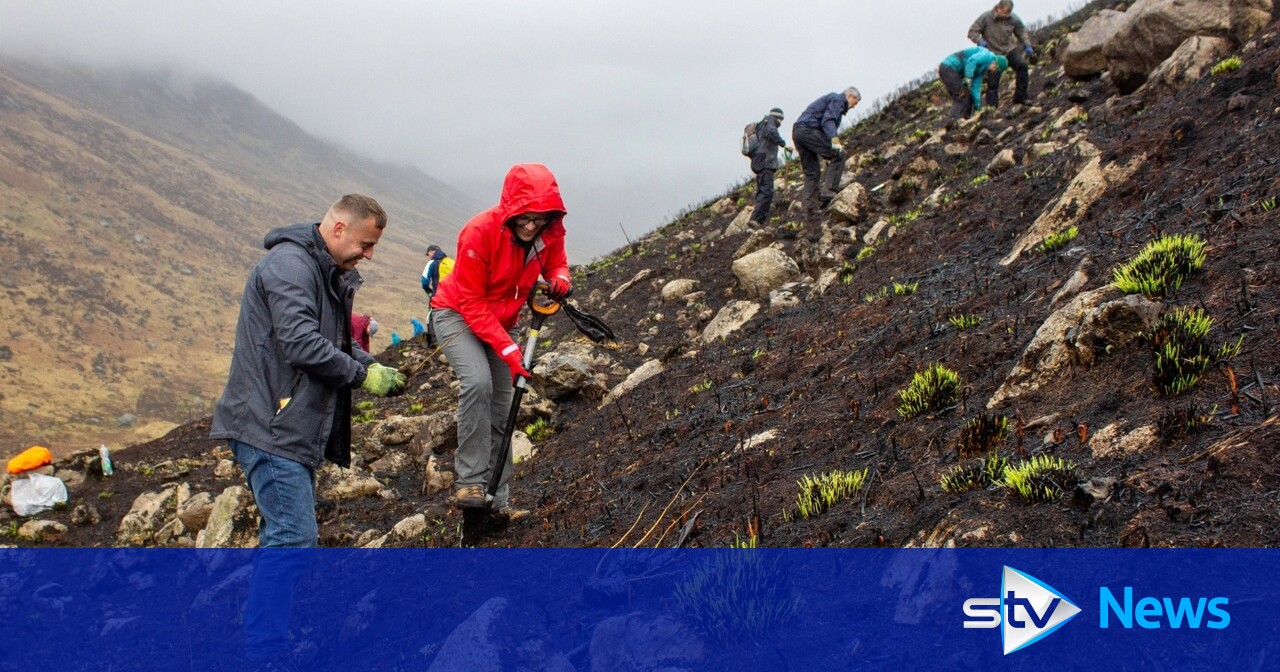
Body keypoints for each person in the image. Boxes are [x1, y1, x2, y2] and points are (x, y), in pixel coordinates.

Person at [211, 194, 406, 546]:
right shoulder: (291, 266)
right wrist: (363, 376)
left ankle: (268, 604)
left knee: (283, 537)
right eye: (366, 245)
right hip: (269, 426)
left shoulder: (321, 269)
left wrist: (371, 364)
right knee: (293, 539)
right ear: (339, 227)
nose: (369, 255)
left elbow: (333, 341)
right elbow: (301, 344)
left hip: (286, 425)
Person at [429, 164, 571, 515]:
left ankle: (498, 504)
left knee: (503, 405)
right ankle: (469, 484)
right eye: (524, 216)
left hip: (504, 321)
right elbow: (473, 303)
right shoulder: (479, 232)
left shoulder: (549, 232)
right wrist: (509, 349)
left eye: (539, 218)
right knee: (478, 382)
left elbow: (558, 263)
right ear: (510, 208)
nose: (530, 225)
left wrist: (560, 277)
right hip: (457, 314)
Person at [792, 87, 860, 212]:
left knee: (812, 172)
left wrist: (826, 150)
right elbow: (828, 120)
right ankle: (828, 191)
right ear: (850, 96)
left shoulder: (831, 100)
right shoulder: (838, 99)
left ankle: (808, 209)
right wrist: (834, 141)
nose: (853, 107)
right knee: (839, 155)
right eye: (855, 103)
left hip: (798, 132)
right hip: (808, 130)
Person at [968, 0, 1035, 108]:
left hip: (1009, 50)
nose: (1006, 16)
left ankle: (1021, 97)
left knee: (1022, 66)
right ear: (998, 8)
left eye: (1008, 14)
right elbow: (972, 32)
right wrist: (980, 41)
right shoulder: (986, 17)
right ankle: (992, 108)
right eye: (1004, 13)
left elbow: (1021, 32)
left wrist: (1027, 45)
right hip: (993, 54)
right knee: (993, 82)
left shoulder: (1014, 19)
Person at [939, 47, 1009, 119]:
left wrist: (977, 105)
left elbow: (976, 87)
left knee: (968, 96)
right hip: (948, 67)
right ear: (995, 63)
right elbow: (972, 61)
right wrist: (968, 77)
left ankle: (965, 119)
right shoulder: (986, 55)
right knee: (961, 96)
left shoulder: (981, 69)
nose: (993, 71)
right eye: (995, 69)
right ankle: (953, 120)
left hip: (952, 71)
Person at [748, 107, 790, 226]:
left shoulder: (761, 124)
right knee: (767, 191)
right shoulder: (769, 122)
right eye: (781, 120)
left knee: (762, 190)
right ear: (778, 117)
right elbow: (772, 133)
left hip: (759, 161)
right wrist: (783, 144)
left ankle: (756, 218)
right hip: (766, 162)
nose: (781, 123)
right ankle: (757, 219)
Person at [421, 245, 454, 346]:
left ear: (432, 252)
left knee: (432, 317)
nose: (429, 256)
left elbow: (424, 281)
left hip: (438, 296)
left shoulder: (432, 263)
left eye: (429, 254)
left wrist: (429, 292)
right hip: (453, 297)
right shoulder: (451, 262)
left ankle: (434, 342)